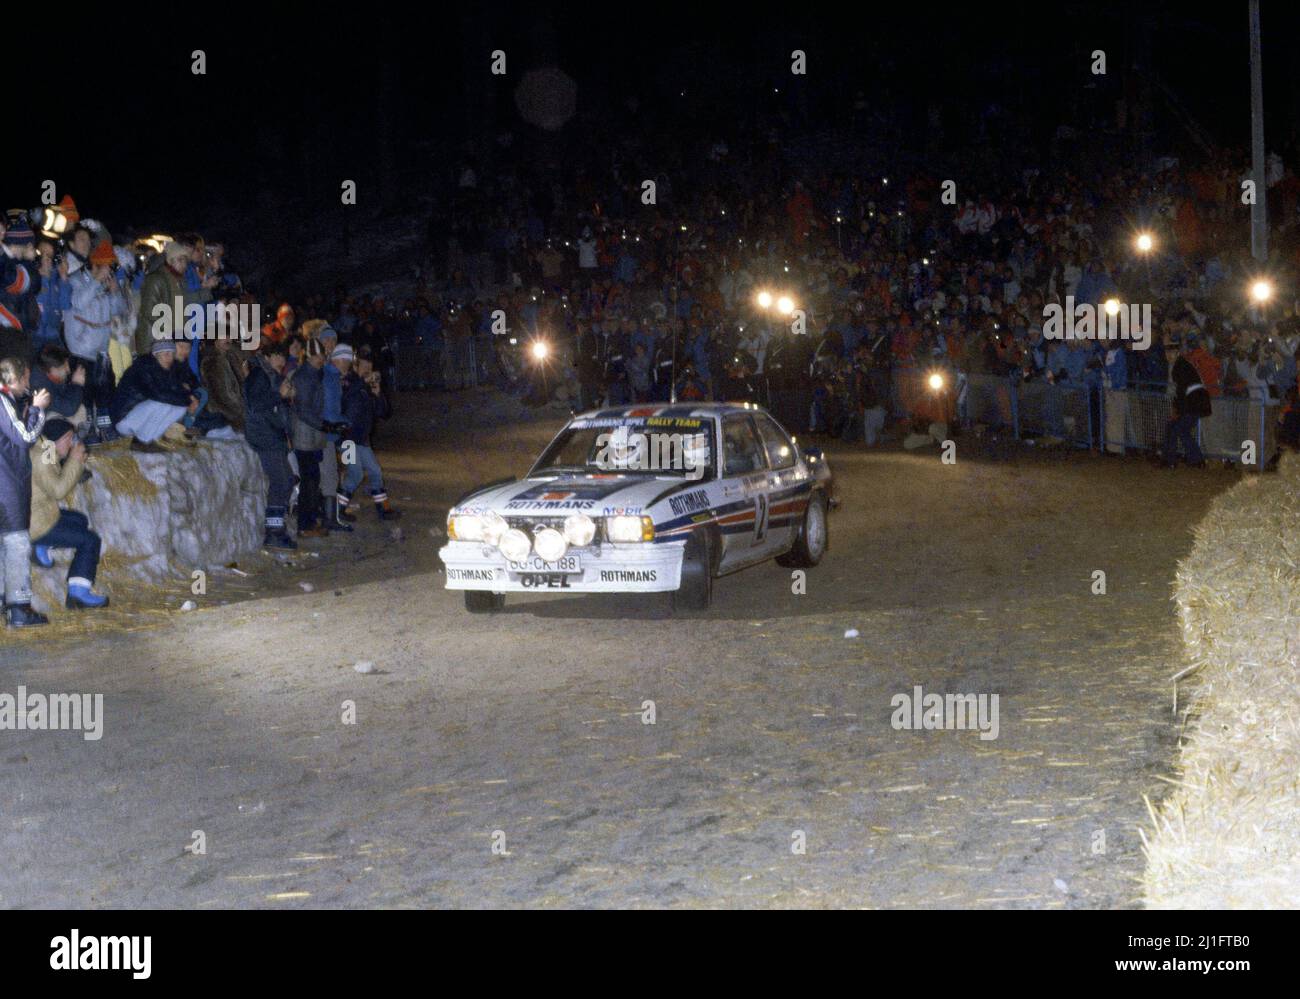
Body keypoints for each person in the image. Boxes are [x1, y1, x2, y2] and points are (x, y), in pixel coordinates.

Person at [29, 417, 108, 609]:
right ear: (60, 439)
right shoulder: (42, 456)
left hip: (36, 513)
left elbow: (52, 478)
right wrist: (74, 460)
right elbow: (58, 490)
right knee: (90, 540)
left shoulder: (45, 447)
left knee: (79, 520)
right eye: (70, 438)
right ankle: (78, 594)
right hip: (35, 522)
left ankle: (41, 545)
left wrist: (72, 461)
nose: (73, 443)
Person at [0, 356, 51, 627]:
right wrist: (37, 410)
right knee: (17, 542)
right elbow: (24, 437)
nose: (28, 385)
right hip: (5, 485)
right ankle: (19, 607)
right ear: (16, 379)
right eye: (26, 380)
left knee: (3, 543)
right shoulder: (1, 400)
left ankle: (4, 601)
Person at [65, 240, 128, 443]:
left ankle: (104, 427)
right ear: (97, 264)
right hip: (80, 349)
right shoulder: (76, 280)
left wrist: (115, 290)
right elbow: (78, 302)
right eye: (108, 265)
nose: (110, 270)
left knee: (105, 388)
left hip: (100, 348)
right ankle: (86, 430)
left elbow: (118, 310)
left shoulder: (104, 283)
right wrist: (95, 281)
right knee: (85, 392)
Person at [337, 345, 401, 520]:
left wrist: (379, 394)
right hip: (346, 440)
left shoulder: (366, 387)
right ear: (355, 366)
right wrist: (362, 383)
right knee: (355, 473)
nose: (367, 370)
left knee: (375, 471)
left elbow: (384, 413)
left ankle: (384, 508)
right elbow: (345, 398)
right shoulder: (347, 382)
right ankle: (338, 510)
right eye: (364, 366)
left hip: (363, 440)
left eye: (369, 367)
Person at [243, 342, 296, 550]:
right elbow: (257, 405)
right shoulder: (259, 375)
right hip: (263, 435)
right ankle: (273, 532)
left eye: (284, 358)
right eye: (277, 356)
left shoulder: (272, 376)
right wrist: (279, 396)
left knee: (287, 479)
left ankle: (277, 527)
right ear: (266, 356)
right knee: (281, 480)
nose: (281, 362)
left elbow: (276, 408)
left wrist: (287, 398)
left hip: (273, 434)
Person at [110, 340, 198, 451]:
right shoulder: (143, 367)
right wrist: (188, 400)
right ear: (155, 354)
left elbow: (182, 387)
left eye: (171, 354)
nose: (169, 357)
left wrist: (189, 397)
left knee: (180, 408)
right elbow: (158, 394)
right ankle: (141, 441)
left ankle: (152, 440)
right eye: (165, 354)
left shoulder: (166, 369)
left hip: (139, 420)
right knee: (162, 403)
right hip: (124, 420)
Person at [286, 337, 329, 538]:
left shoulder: (314, 375)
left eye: (323, 356)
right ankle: (306, 524)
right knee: (309, 481)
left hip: (312, 435)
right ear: (309, 357)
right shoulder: (304, 377)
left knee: (313, 479)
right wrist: (323, 424)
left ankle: (310, 521)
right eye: (317, 356)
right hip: (305, 435)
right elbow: (303, 409)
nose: (321, 359)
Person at [1161, 336, 1212, 468]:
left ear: (1177, 353)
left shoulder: (1179, 367)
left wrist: (1177, 410)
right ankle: (1196, 460)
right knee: (1181, 430)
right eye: (1167, 353)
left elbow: (1182, 391)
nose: (1168, 356)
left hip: (1193, 404)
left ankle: (1170, 460)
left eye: (1170, 353)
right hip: (1195, 403)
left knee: (1174, 429)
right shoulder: (1182, 365)